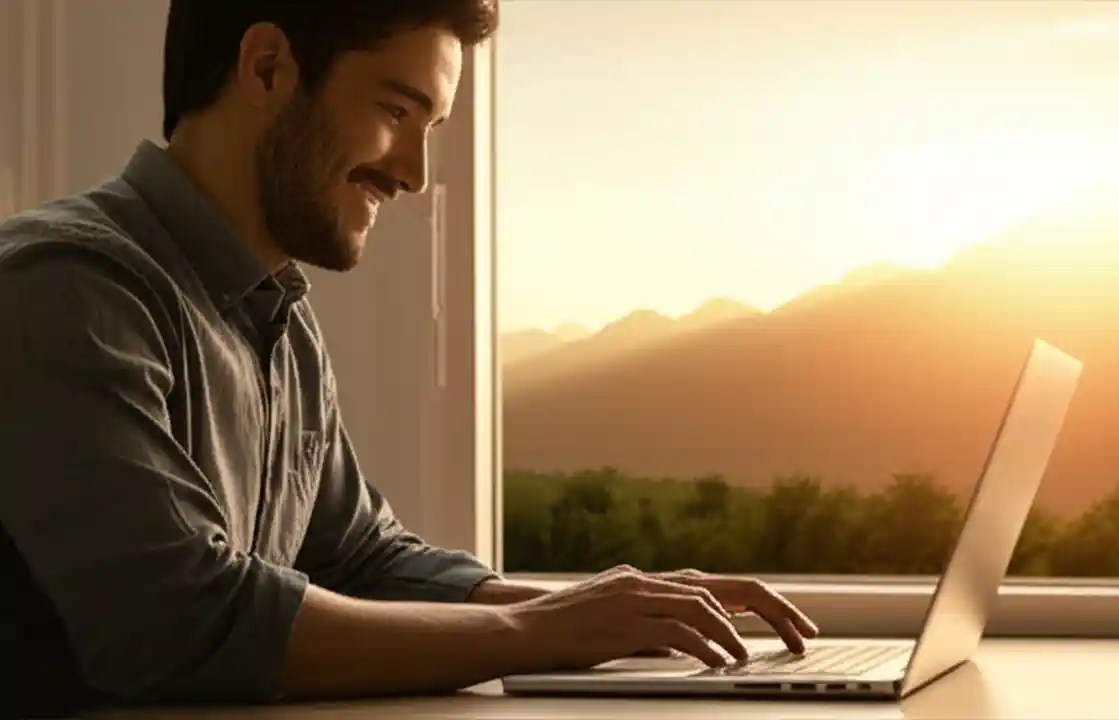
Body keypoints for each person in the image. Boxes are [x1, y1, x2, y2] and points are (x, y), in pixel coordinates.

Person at [0, 0, 819, 714]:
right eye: (398, 111)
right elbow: (178, 620)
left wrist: (616, 613)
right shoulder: (65, 289)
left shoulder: (278, 320)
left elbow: (358, 558)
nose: (416, 175)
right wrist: (535, 631)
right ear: (267, 67)